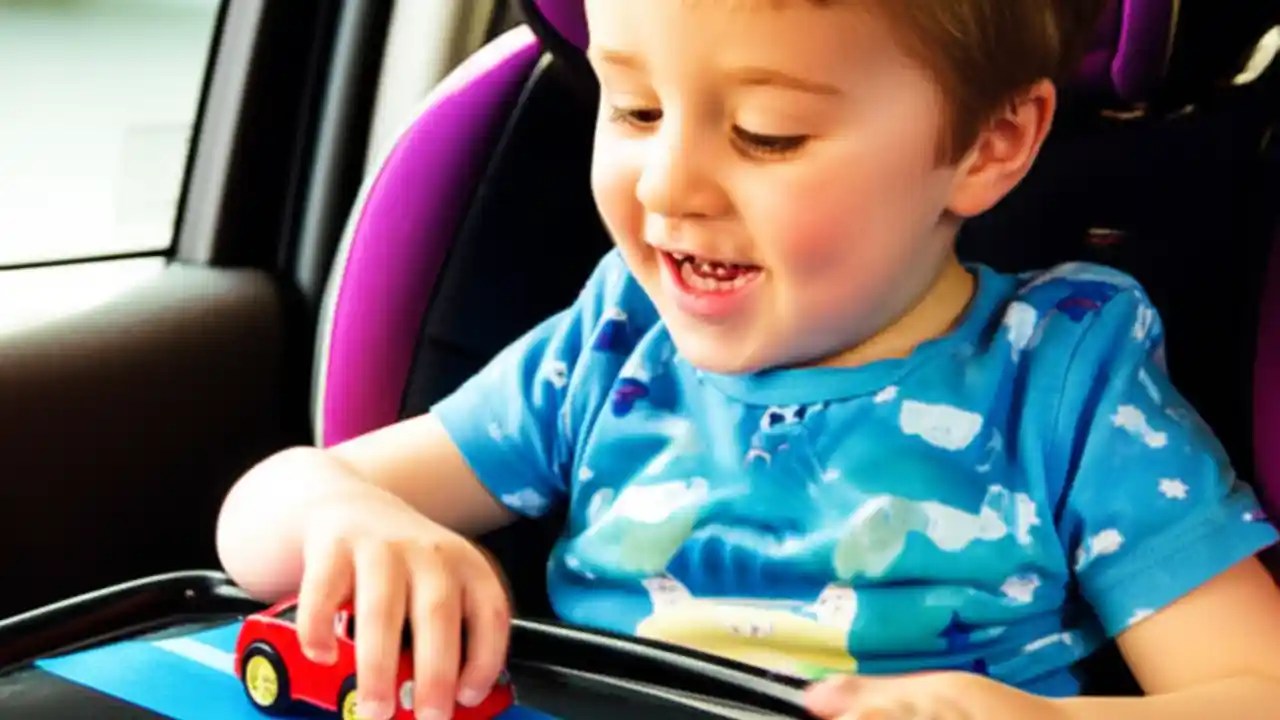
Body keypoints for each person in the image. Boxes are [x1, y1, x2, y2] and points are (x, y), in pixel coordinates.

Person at [215, 1, 1280, 718]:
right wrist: (357, 521)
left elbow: (1255, 691)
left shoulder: (1064, 384)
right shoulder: (612, 346)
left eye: (768, 133)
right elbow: (262, 521)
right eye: (634, 108)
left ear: (987, 144)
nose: (666, 186)